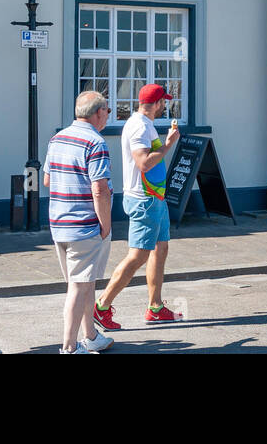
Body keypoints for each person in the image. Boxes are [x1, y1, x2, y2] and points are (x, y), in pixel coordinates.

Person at [94, 83, 183, 329]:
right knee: (138, 255)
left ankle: (155, 307)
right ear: (156, 104)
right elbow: (144, 163)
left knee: (160, 248)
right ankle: (101, 305)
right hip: (144, 199)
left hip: (155, 197)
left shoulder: (144, 124)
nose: (165, 104)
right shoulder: (140, 127)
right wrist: (169, 144)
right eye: (163, 101)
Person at [43, 91, 116, 353]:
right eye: (107, 110)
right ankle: (70, 347)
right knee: (78, 286)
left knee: (85, 282)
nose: (108, 115)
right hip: (84, 224)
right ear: (98, 113)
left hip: (59, 222)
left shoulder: (57, 138)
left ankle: (91, 335)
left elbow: (47, 181)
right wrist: (105, 224)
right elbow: (100, 190)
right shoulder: (96, 143)